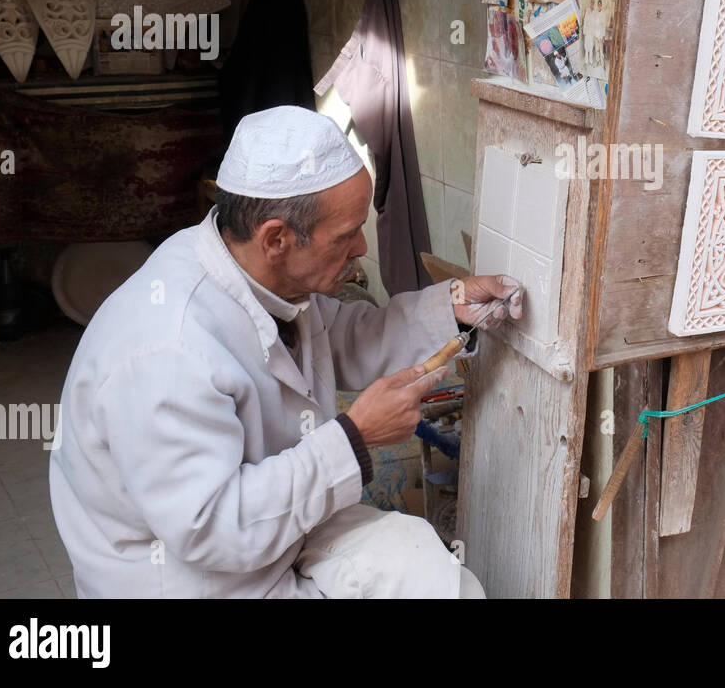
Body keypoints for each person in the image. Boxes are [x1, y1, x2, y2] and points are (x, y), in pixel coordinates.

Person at [49, 107, 524, 598]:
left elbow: (340, 335)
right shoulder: (167, 349)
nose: (362, 246)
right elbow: (213, 528)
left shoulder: (253, 270)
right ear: (275, 238)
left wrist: (450, 307)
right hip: (191, 575)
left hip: (272, 525)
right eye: (345, 235)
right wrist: (356, 437)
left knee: (428, 571)